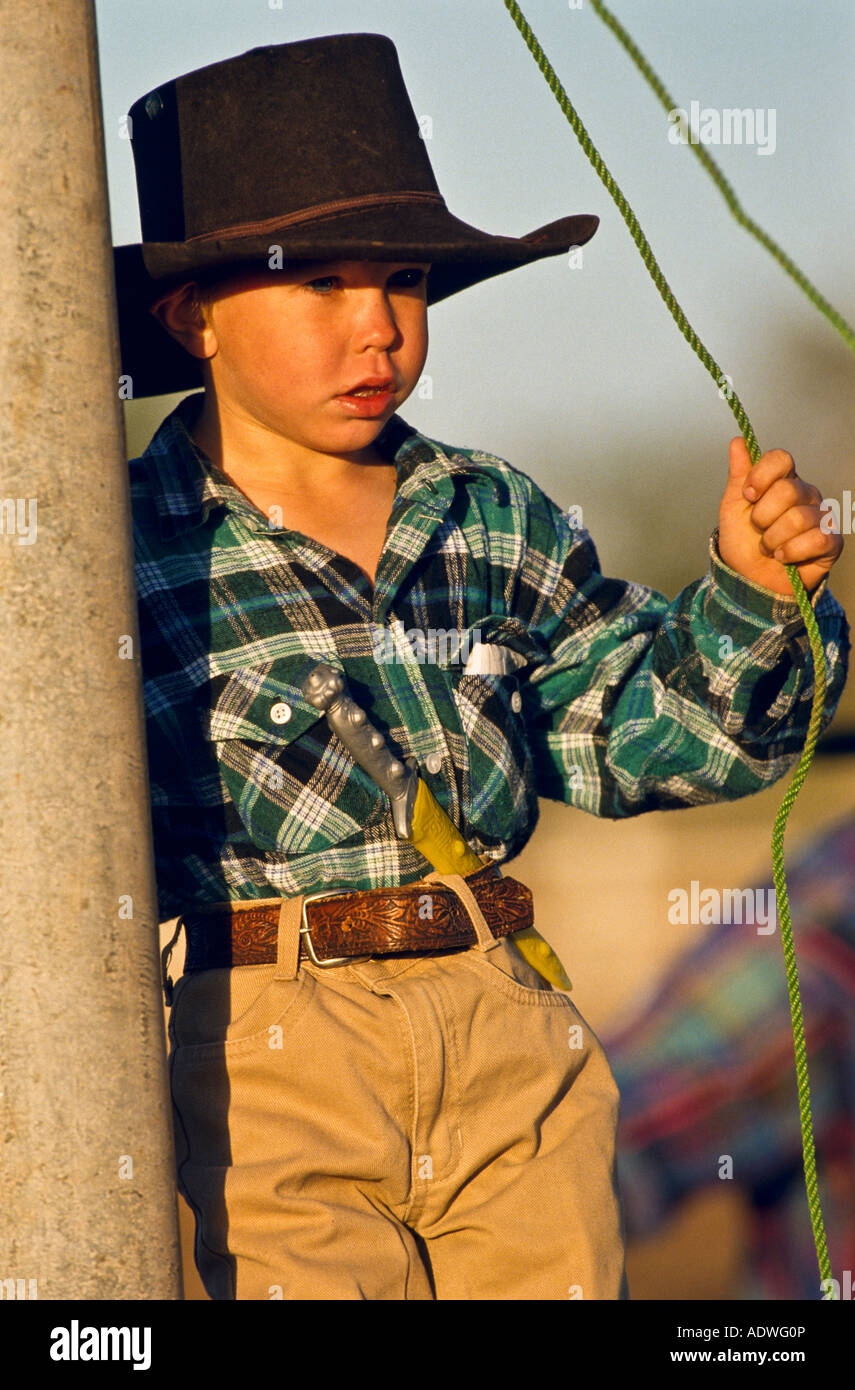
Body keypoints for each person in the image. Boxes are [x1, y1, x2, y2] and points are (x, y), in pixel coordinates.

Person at [114, 33, 848, 1300]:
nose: (378, 326)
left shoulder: (492, 513)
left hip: (504, 1008)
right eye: (321, 284)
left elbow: (634, 731)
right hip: (266, 1042)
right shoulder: (118, 553)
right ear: (194, 319)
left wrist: (747, 599)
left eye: (400, 279)